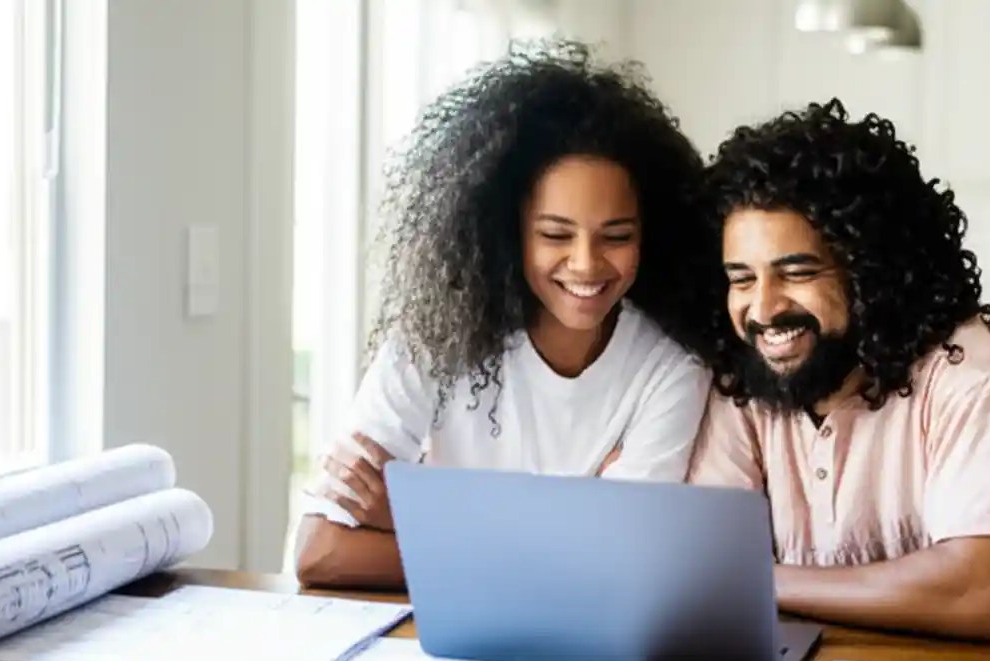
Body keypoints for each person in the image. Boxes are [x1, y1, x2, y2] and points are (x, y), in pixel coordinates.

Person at [294, 40, 722, 590]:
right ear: (508, 232)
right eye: (555, 235)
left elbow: (619, 566)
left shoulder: (671, 369)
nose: (587, 264)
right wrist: (568, 533)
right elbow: (321, 552)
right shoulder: (435, 339)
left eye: (617, 236)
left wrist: (416, 520)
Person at [688, 99, 990, 639]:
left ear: (874, 270)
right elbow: (702, 565)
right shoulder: (743, 380)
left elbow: (976, 593)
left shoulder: (980, 364)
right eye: (742, 278)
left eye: (796, 272)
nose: (764, 308)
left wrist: (757, 581)